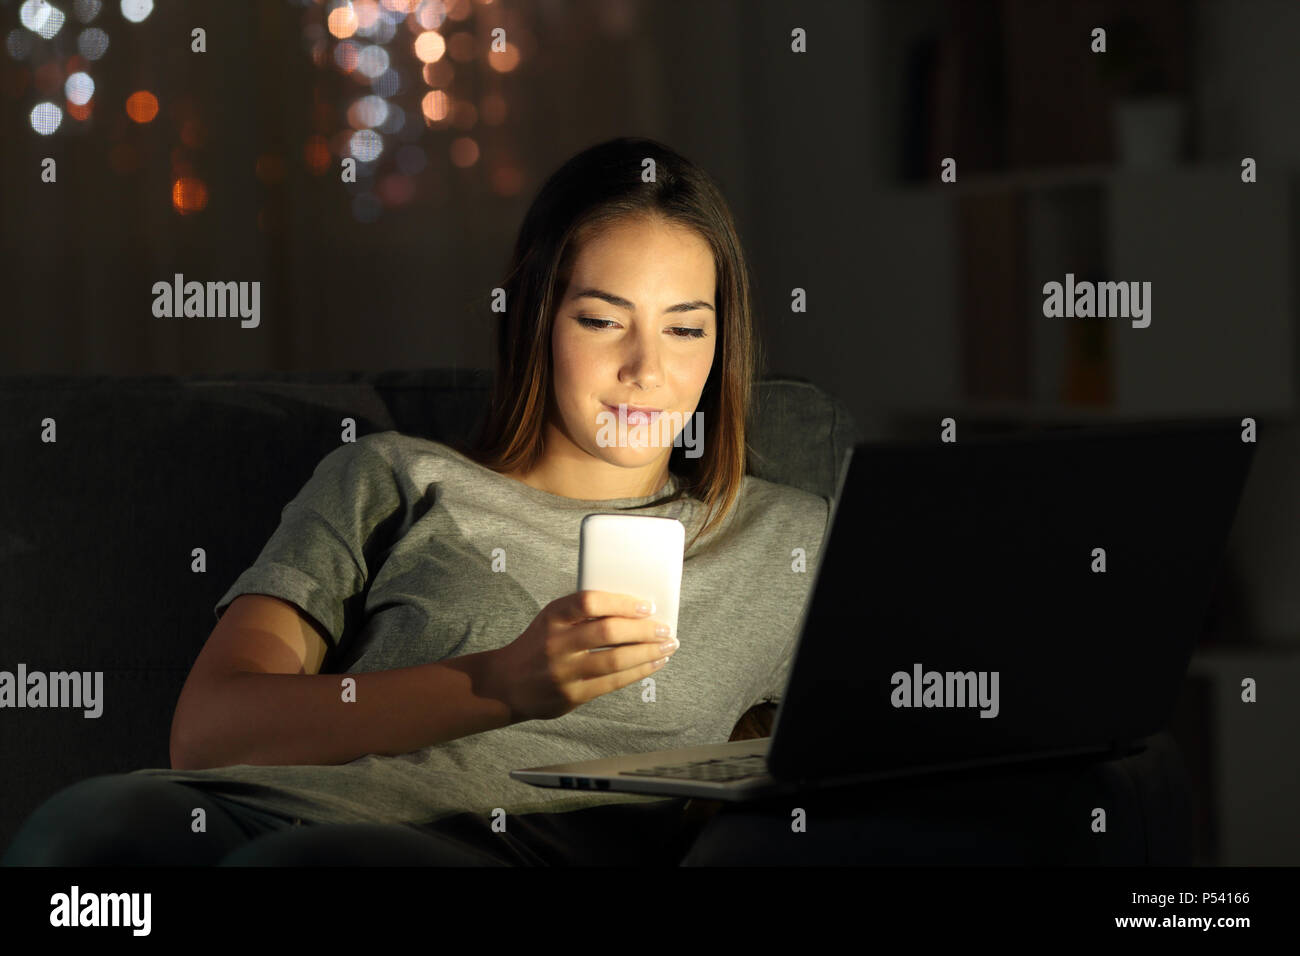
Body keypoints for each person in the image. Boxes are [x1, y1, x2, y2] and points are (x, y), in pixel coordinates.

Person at [1, 136, 835, 867]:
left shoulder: (787, 542)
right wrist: (501, 682)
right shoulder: (391, 477)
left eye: (686, 328)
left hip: (470, 845)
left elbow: (883, 765)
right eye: (600, 320)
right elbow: (210, 728)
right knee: (90, 828)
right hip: (245, 807)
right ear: (536, 322)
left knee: (311, 867)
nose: (646, 369)